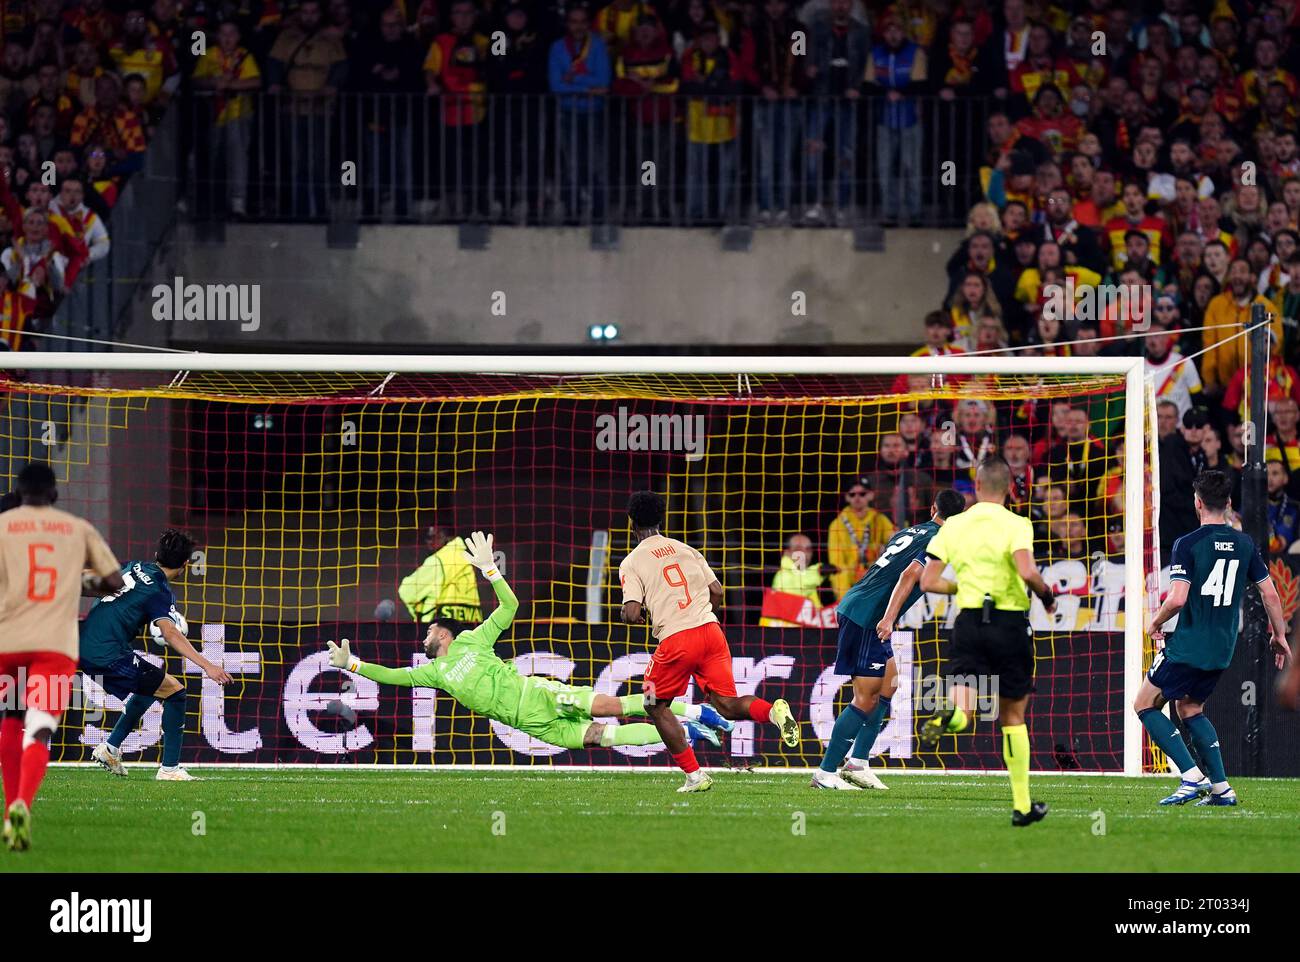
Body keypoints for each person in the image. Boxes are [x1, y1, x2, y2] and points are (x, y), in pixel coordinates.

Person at [329, 533, 731, 755]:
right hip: (530, 724)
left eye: (429, 630)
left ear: (444, 634)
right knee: (603, 738)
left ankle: (699, 711)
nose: (424, 635)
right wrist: (353, 666)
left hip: (541, 697)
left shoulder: (472, 641)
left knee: (614, 706)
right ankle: (691, 735)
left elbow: (510, 605)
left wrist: (490, 570)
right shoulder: (434, 672)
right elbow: (394, 677)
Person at [619, 491, 798, 793]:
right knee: (727, 705)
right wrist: (704, 616)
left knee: (654, 704)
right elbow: (717, 590)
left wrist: (627, 613)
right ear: (661, 519)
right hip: (711, 633)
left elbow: (633, 610)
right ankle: (773, 711)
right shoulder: (686, 549)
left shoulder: (632, 562)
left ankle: (695, 776)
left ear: (632, 524)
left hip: (677, 639)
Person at [918, 456, 1057, 826]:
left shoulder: (955, 525)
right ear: (1010, 489)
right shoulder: (1017, 523)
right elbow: (1027, 571)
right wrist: (1046, 594)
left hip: (967, 624)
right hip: (1008, 624)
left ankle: (950, 718)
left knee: (966, 711)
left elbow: (928, 582)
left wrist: (962, 586)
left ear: (976, 487)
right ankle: (1023, 805)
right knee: (1012, 716)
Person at [1142, 470, 1292, 807]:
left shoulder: (1188, 544)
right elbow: (1269, 594)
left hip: (1189, 644)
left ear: (1197, 502)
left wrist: (1156, 621)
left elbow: (1178, 598)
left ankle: (1191, 776)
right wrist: (1279, 634)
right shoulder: (1245, 544)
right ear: (1228, 503)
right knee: (1190, 707)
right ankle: (1223, 789)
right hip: (1224, 647)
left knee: (1144, 704)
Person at [0, 462, 125, 851]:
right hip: (55, 645)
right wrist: (80, 579)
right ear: (54, 495)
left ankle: (8, 812)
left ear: (20, 494)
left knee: (11, 717)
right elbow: (115, 582)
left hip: (8, 642)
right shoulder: (77, 528)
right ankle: (23, 804)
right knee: (39, 729)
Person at [814, 489, 966, 790]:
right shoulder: (941, 539)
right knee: (866, 697)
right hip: (866, 617)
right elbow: (910, 575)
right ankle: (825, 773)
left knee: (888, 684)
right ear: (961, 517)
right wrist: (889, 616)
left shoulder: (912, 531)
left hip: (864, 609)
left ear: (933, 507)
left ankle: (858, 762)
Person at [80, 530, 233, 781]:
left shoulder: (133, 566)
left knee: (152, 686)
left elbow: (90, 582)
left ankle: (110, 749)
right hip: (107, 654)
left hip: (85, 644)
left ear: (156, 555)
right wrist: (208, 666)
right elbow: (170, 632)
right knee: (176, 691)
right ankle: (170, 769)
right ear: (185, 565)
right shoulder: (159, 592)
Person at [397, 523, 482, 623]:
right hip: (470, 627)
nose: (429, 542)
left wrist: (420, 606)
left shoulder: (438, 560)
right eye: (428, 538)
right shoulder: (465, 557)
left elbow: (406, 591)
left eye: (433, 537)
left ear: (447, 537)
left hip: (439, 629)